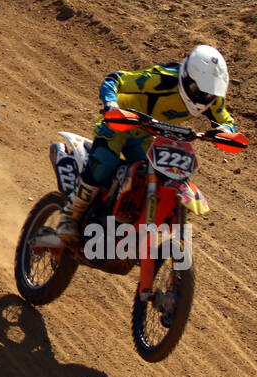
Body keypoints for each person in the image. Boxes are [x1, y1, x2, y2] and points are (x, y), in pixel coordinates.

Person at [51, 45, 237, 247]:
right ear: (187, 77)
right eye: (199, 88)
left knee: (155, 176)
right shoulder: (160, 79)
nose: (204, 95)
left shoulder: (212, 98)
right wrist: (112, 105)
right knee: (105, 163)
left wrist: (226, 132)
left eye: (210, 91)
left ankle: (129, 228)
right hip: (121, 123)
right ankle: (70, 216)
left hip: (151, 136)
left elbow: (226, 120)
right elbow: (115, 79)